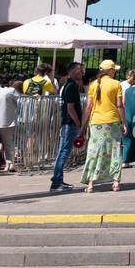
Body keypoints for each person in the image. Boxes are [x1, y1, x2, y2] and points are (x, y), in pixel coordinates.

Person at [82, 59, 125, 192]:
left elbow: (88, 107)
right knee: (115, 149)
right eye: (114, 70)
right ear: (111, 71)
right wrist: (124, 122)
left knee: (94, 150)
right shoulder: (116, 84)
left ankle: (90, 183)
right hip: (112, 121)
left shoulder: (93, 84)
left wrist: (83, 125)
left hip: (96, 122)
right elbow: (119, 105)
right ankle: (116, 182)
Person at [50, 61, 85, 192]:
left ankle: (57, 180)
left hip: (68, 124)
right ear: (72, 71)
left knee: (62, 152)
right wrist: (78, 123)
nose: (82, 72)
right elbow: (70, 108)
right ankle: (56, 181)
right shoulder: (71, 86)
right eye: (79, 70)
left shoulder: (69, 85)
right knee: (63, 152)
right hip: (69, 124)